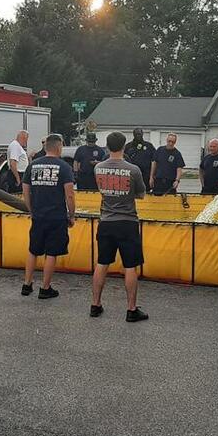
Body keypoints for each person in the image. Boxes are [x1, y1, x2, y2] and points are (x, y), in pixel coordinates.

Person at [91, 132, 149, 322]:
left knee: (102, 263)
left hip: (106, 221)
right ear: (124, 147)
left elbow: (102, 190)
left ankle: (95, 304)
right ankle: (131, 309)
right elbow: (141, 194)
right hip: (127, 222)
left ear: (107, 147)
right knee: (130, 266)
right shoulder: (133, 169)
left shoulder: (98, 168)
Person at [22, 134, 76, 299]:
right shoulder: (64, 167)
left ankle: (27, 284)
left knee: (33, 250)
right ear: (59, 147)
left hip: (38, 216)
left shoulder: (33, 166)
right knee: (51, 253)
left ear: (46, 147)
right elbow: (70, 195)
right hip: (56, 217)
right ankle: (45, 288)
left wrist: (31, 210)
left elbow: (25, 192)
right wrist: (71, 215)